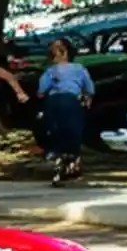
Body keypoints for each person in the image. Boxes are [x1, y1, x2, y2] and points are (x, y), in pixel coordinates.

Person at [38, 38, 95, 187]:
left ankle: (55, 154)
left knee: (55, 129)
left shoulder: (50, 71)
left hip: (53, 102)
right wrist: (87, 98)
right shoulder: (79, 69)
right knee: (73, 130)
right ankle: (72, 159)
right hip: (71, 101)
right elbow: (89, 88)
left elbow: (41, 90)